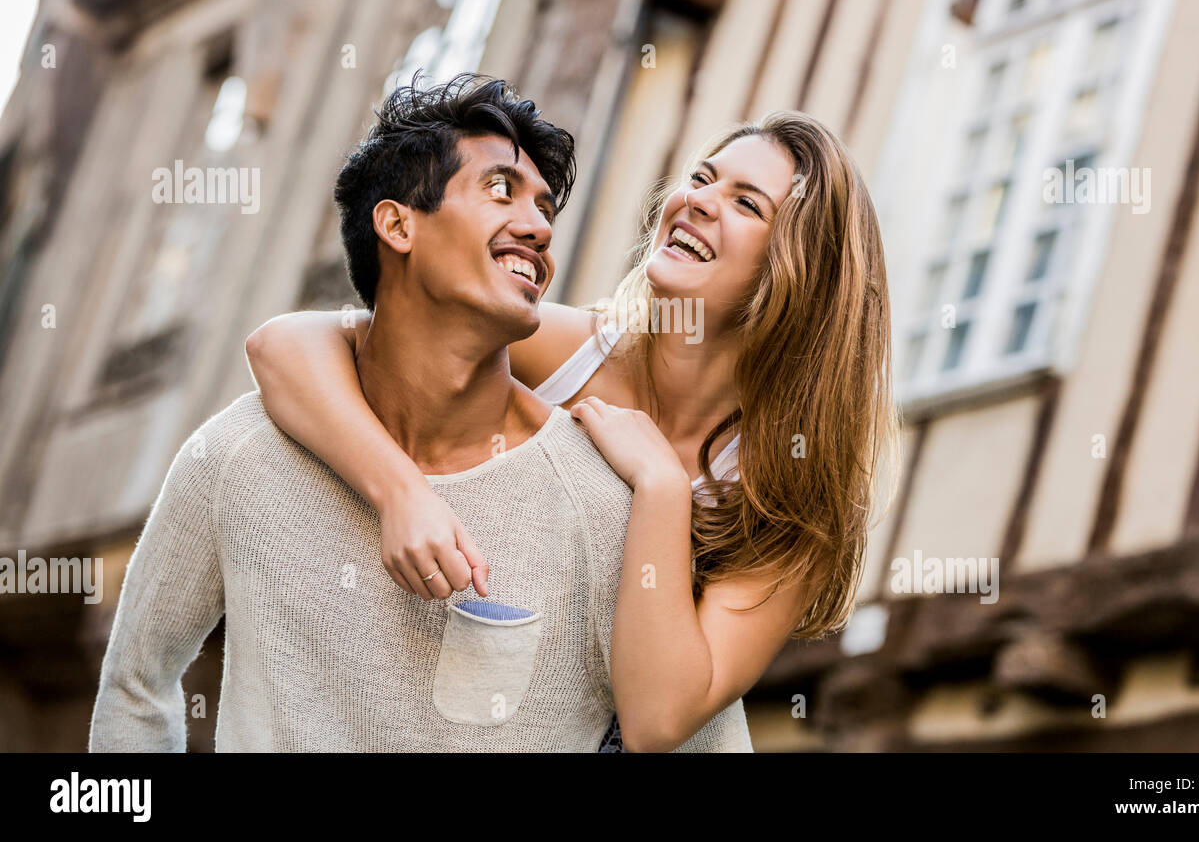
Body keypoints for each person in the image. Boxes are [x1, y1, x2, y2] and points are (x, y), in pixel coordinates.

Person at [90, 74, 747, 752]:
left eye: (546, 208)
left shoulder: (604, 505)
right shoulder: (236, 453)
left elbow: (698, 739)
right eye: (500, 191)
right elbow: (136, 685)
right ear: (398, 223)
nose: (539, 228)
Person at [246, 93, 900, 752]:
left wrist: (661, 487)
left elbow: (657, 718)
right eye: (702, 178)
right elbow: (283, 348)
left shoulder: (793, 496)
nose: (698, 200)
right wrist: (399, 493)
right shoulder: (567, 349)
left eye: (746, 203)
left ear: (797, 272)